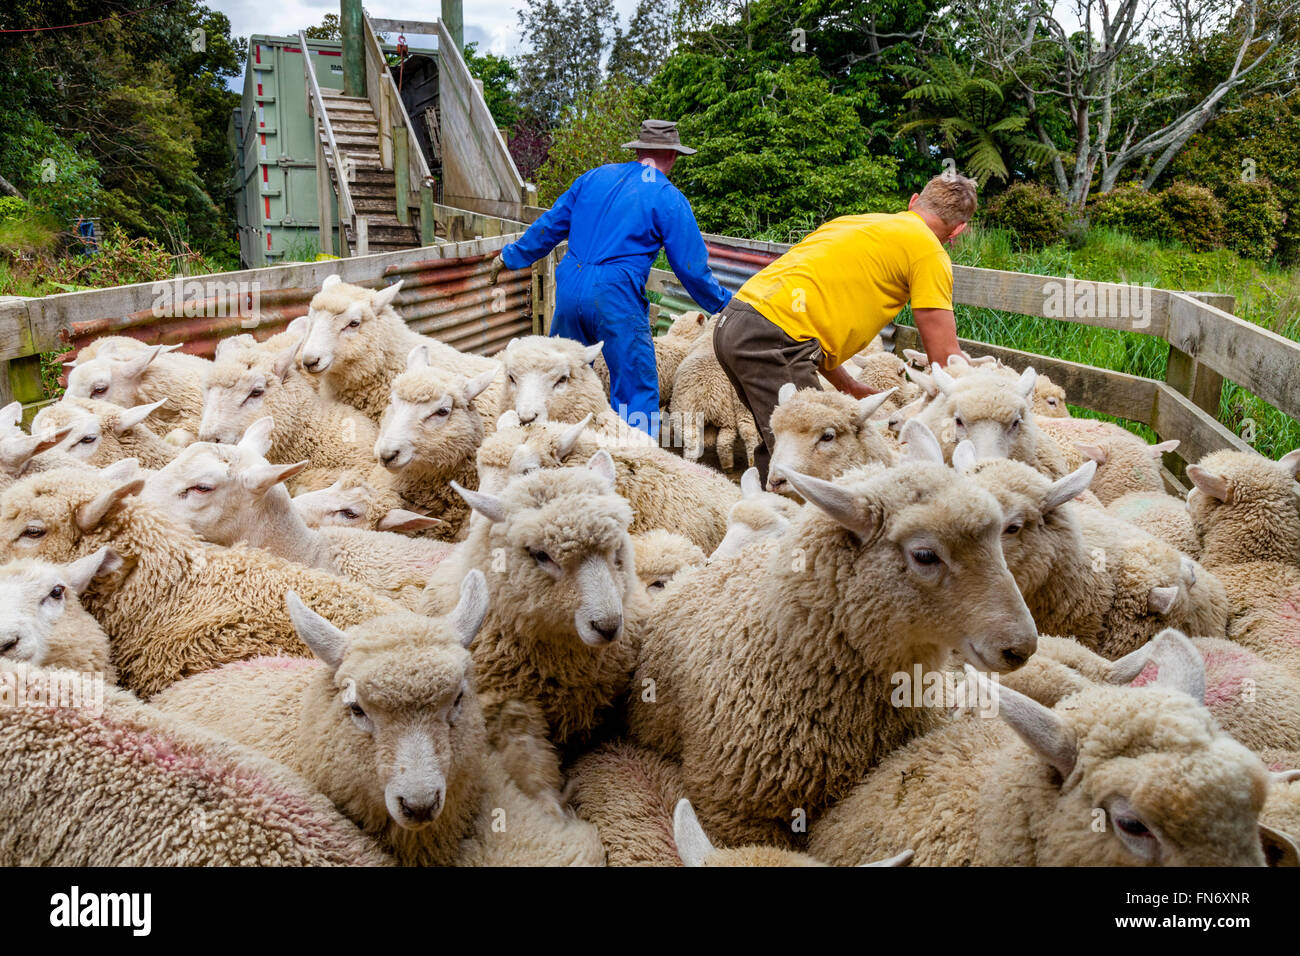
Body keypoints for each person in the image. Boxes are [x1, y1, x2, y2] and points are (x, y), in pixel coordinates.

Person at [712, 172, 977, 486]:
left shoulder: (857, 222)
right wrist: (979, 396)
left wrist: (849, 385)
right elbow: (946, 359)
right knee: (806, 457)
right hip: (774, 337)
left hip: (735, 320)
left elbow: (817, 316)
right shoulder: (928, 252)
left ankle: (764, 517)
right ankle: (791, 527)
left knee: (783, 442)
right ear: (958, 230)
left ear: (914, 202)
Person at [488, 119, 732, 438]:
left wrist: (511, 255)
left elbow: (551, 224)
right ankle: (636, 460)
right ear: (672, 156)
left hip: (570, 287)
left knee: (562, 377)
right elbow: (690, 268)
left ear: (639, 150)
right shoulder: (667, 197)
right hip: (616, 295)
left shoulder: (594, 177)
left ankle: (552, 446)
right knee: (635, 386)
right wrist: (725, 305)